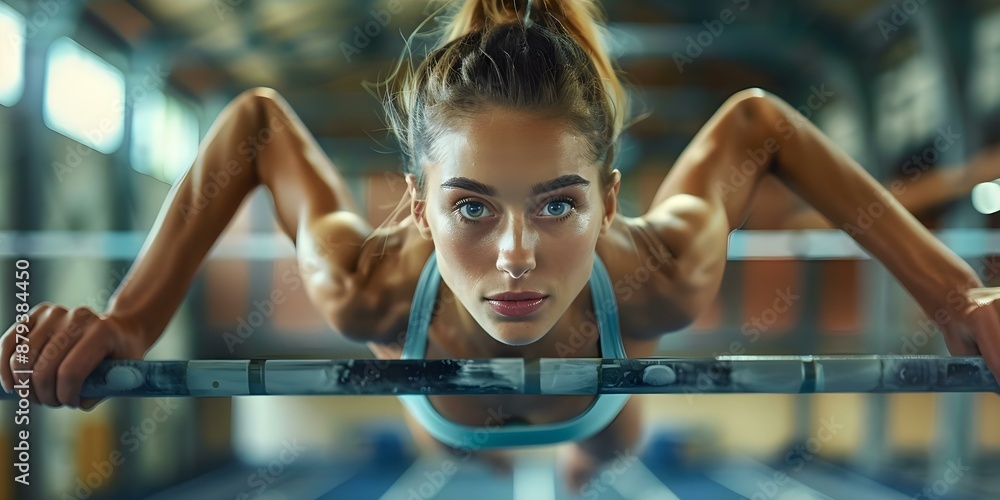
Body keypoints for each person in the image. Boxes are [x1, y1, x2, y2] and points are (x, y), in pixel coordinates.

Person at [2, 0, 999, 492]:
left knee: (604, 444)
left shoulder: (659, 272)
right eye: (472, 207)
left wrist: (964, 299)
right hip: (448, 416)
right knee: (464, 438)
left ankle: (580, 450)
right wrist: (128, 320)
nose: (516, 252)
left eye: (559, 206)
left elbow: (757, 121)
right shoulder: (366, 286)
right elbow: (256, 121)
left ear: (610, 200)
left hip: (601, 404)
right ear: (419, 207)